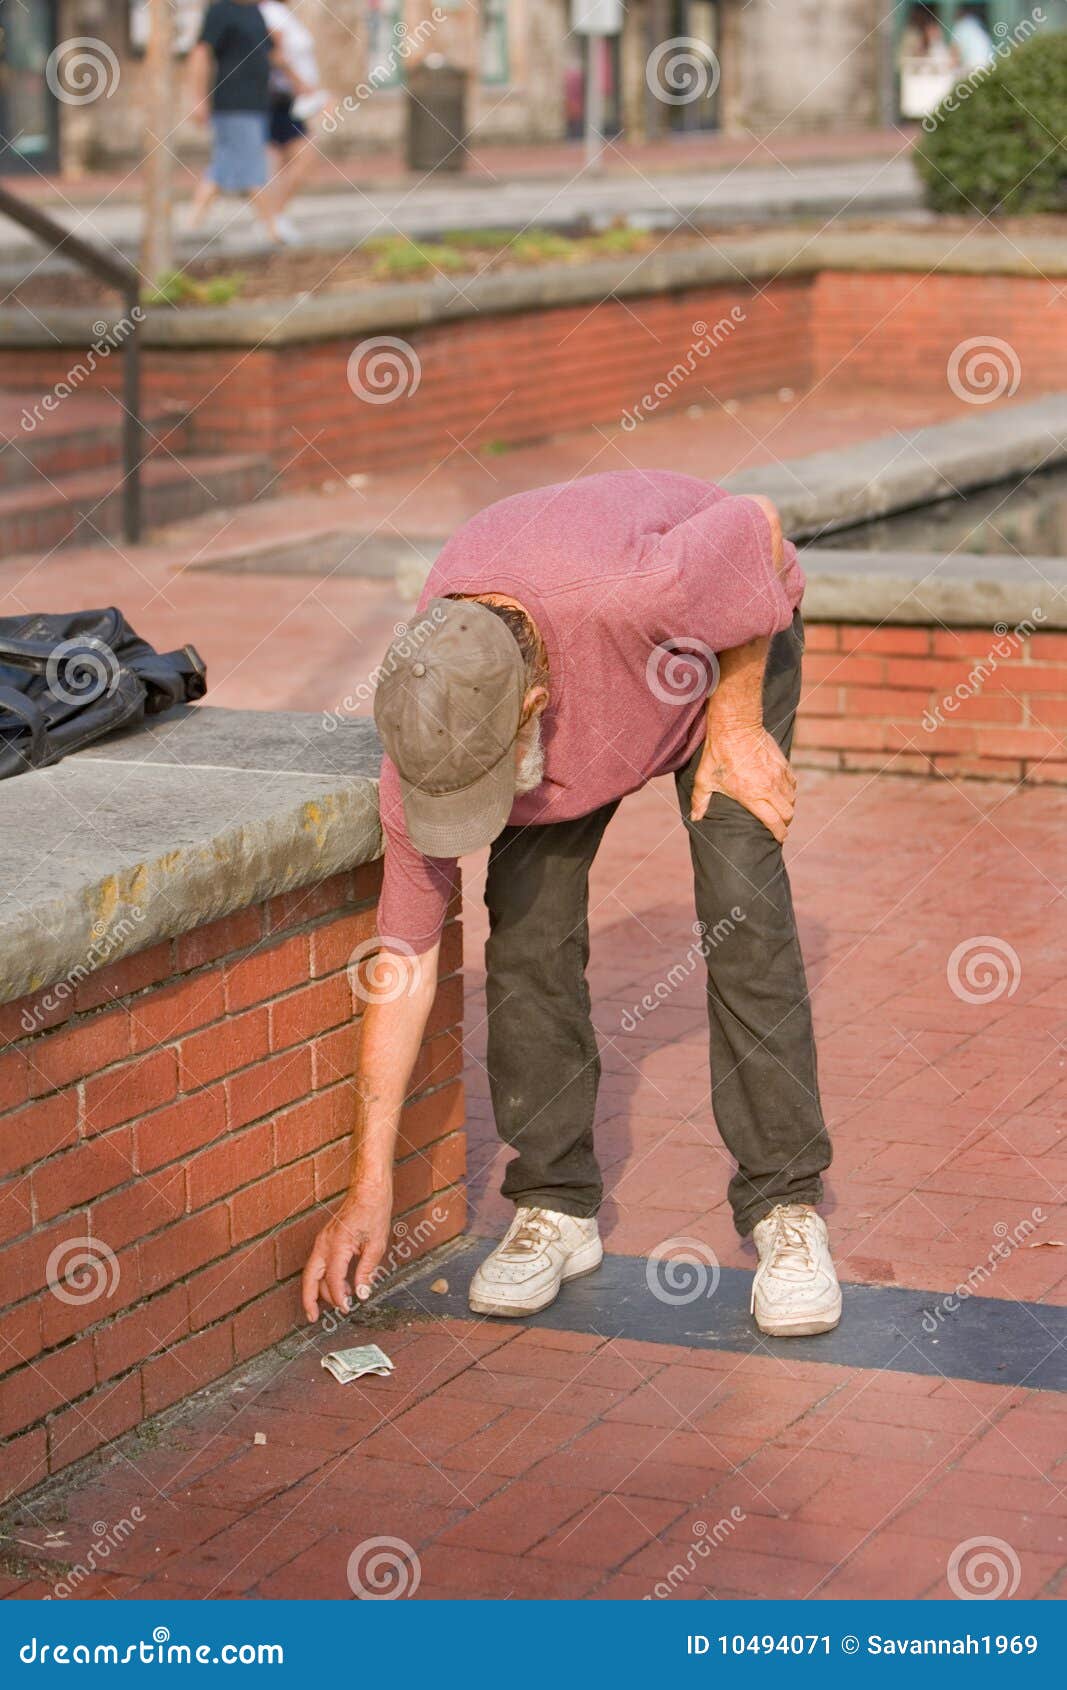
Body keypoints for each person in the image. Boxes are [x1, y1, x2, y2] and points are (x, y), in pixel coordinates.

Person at [302, 471, 841, 1340]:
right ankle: (555, 1202)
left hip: (720, 649)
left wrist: (735, 724)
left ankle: (785, 1205)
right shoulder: (433, 709)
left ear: (534, 709)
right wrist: (370, 1182)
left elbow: (758, 527)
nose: (467, 808)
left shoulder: (635, 588)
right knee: (526, 927)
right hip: (590, 682)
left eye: (482, 783)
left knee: (742, 910)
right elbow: (402, 962)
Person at [187, 0, 278, 243]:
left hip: (257, 104)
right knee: (253, 170)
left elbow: (270, 53)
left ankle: (192, 226)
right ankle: (272, 230)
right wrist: (198, 99)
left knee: (222, 169)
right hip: (234, 104)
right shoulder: (221, 11)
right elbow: (201, 53)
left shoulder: (256, 12)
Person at [259, 0, 328, 245]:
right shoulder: (268, 12)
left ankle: (274, 220)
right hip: (279, 98)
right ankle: (273, 219)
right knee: (302, 156)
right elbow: (274, 54)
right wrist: (300, 84)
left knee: (284, 162)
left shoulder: (283, 12)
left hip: (287, 99)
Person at [952, 3, 996, 71]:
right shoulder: (975, 23)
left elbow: (955, 53)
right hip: (989, 62)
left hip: (975, 64)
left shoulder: (960, 26)